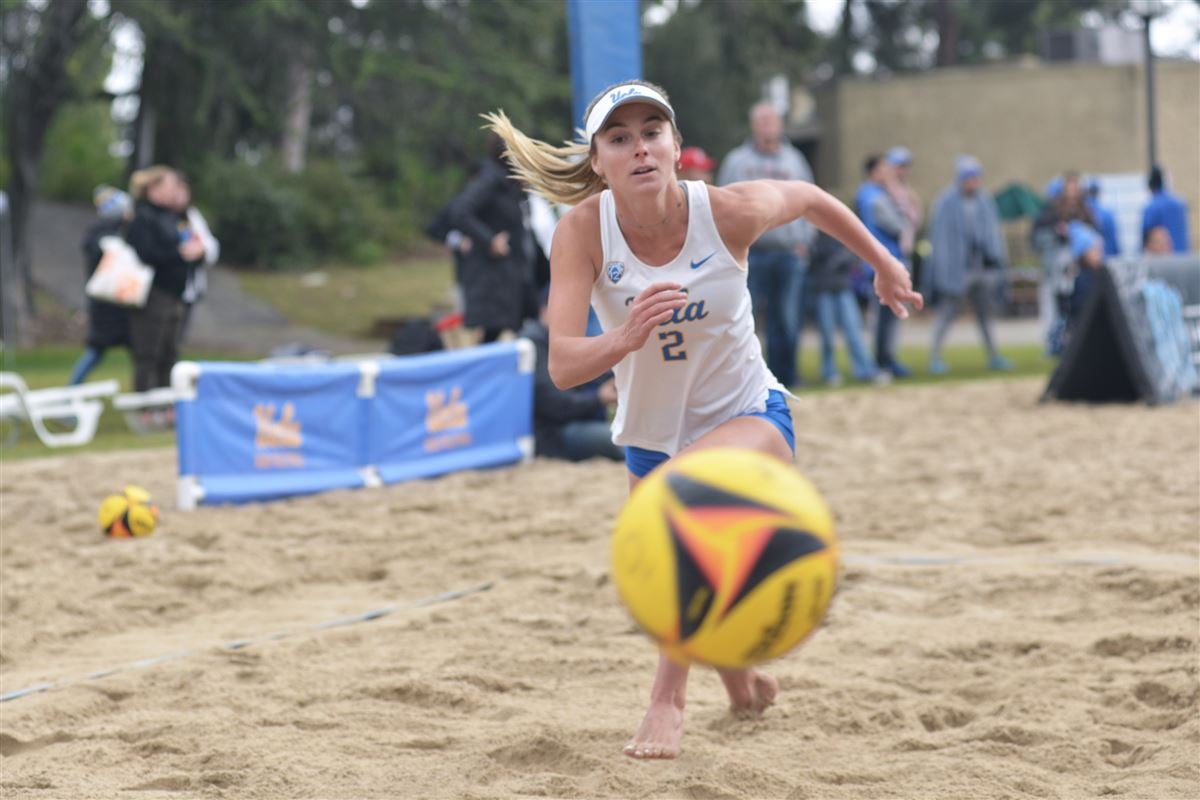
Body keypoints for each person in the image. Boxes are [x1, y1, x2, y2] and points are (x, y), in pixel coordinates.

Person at [485, 80, 921, 760]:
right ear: (599, 161)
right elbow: (564, 366)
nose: (639, 148)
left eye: (651, 132)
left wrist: (886, 264)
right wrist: (623, 339)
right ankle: (744, 686)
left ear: (677, 148)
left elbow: (808, 199)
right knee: (673, 580)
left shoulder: (725, 211)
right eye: (620, 138)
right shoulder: (582, 232)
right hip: (651, 437)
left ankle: (666, 702)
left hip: (749, 413)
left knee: (683, 511)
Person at [717, 102, 815, 387]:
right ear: (754, 125)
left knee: (787, 317)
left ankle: (788, 375)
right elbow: (722, 204)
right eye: (762, 121)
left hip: (789, 252)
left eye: (772, 121)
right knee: (743, 319)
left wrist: (804, 242)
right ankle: (750, 379)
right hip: (750, 254)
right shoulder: (737, 162)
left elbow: (812, 200)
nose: (767, 126)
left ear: (780, 124)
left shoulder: (794, 161)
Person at [925, 155, 1013, 374]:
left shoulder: (984, 200)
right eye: (969, 177)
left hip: (981, 268)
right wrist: (942, 271)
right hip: (957, 270)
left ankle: (994, 356)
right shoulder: (945, 201)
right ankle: (934, 357)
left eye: (976, 177)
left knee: (985, 315)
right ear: (960, 178)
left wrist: (997, 261)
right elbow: (940, 240)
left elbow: (994, 234)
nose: (974, 181)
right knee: (946, 314)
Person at [448, 134, 535, 344]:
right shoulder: (491, 178)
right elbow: (460, 211)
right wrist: (489, 240)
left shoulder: (508, 181)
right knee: (492, 336)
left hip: (512, 275)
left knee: (512, 333)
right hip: (494, 278)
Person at [125, 167, 205, 393]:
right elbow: (145, 254)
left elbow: (193, 246)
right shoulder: (143, 216)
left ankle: (165, 402)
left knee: (169, 352)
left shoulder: (176, 217)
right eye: (169, 187)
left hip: (176, 293)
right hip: (153, 293)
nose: (174, 192)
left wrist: (198, 253)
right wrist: (178, 252)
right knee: (148, 351)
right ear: (153, 189)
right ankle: (145, 405)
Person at [519, 288, 623, 462]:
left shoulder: (554, 339)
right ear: (545, 311)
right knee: (619, 441)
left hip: (569, 425)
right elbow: (552, 402)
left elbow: (593, 371)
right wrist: (598, 398)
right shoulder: (532, 344)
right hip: (553, 434)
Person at [68, 186, 134, 385]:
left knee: (138, 351)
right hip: (107, 303)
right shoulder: (104, 233)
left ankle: (148, 395)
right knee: (97, 350)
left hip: (115, 301)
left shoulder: (107, 231)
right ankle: (69, 394)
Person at [855, 155, 912, 377]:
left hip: (884, 261)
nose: (888, 172)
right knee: (883, 316)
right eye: (884, 168)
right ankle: (882, 361)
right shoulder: (872, 196)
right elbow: (897, 225)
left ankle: (886, 359)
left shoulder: (876, 194)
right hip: (879, 265)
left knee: (889, 316)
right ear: (872, 172)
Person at [807, 230, 882, 386]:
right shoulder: (815, 235)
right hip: (823, 288)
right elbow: (811, 260)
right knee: (827, 334)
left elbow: (854, 255)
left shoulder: (841, 231)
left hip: (843, 287)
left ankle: (865, 369)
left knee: (853, 331)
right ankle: (829, 372)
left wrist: (841, 261)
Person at [1141, 165, 1191, 253]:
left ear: (1150, 187)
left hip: (1164, 260)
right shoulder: (1180, 203)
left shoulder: (1152, 207)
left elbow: (1145, 238)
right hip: (1183, 257)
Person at [1083, 177, 1120, 257]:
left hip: (1089, 260)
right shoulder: (1107, 213)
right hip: (1108, 256)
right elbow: (1114, 241)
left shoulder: (1082, 212)